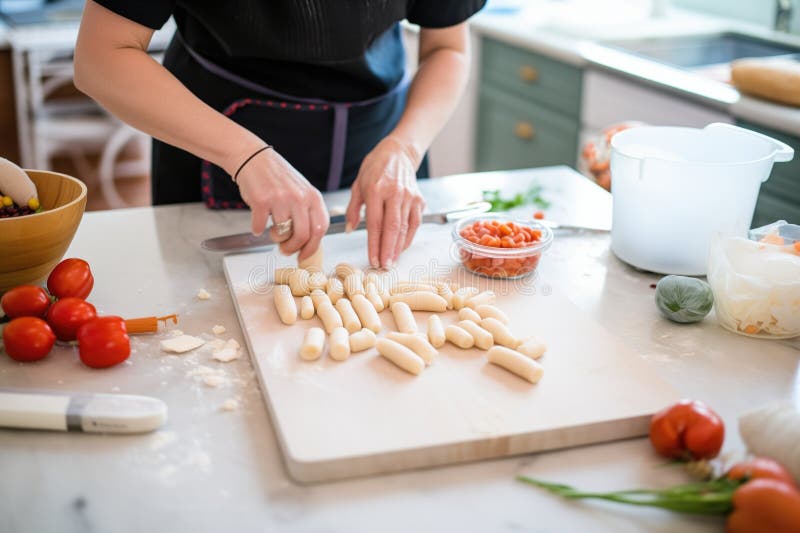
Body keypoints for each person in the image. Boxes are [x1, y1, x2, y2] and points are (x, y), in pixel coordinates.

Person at [74, 0, 486, 267]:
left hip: (382, 140)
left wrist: (404, 149)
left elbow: (447, 48)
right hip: (215, 142)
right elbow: (100, 57)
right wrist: (245, 155)